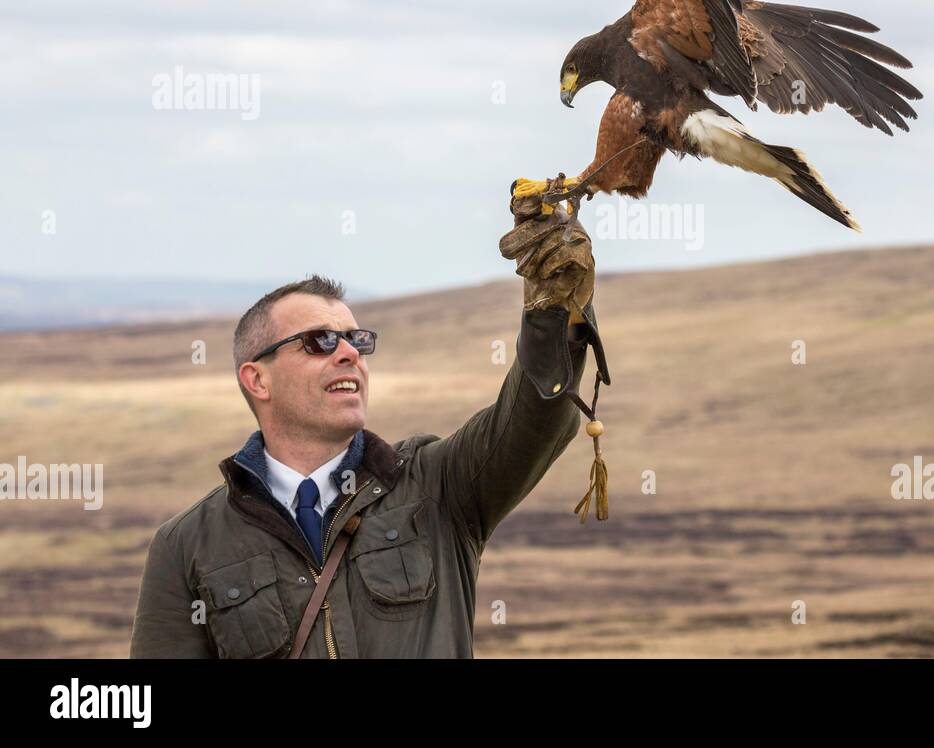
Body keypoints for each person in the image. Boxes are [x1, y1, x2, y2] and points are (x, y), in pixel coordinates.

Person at [129, 197, 606, 658]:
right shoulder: (187, 546)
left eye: (356, 340)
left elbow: (532, 422)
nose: (350, 353)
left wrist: (554, 316)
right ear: (257, 379)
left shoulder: (438, 486)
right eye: (320, 341)